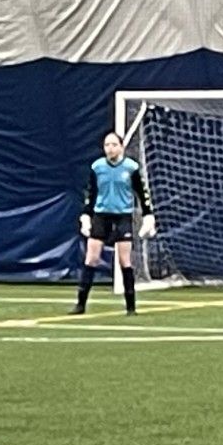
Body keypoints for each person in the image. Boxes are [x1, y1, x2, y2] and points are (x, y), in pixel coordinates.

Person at [73, 131, 156, 315]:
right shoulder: (98, 167)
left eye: (113, 144)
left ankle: (131, 306)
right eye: (106, 145)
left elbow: (142, 194)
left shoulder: (131, 168)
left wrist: (148, 215)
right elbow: (91, 194)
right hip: (101, 215)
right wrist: (86, 216)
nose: (110, 148)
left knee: (124, 260)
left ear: (121, 147)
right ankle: (80, 303)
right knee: (91, 257)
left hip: (122, 216)